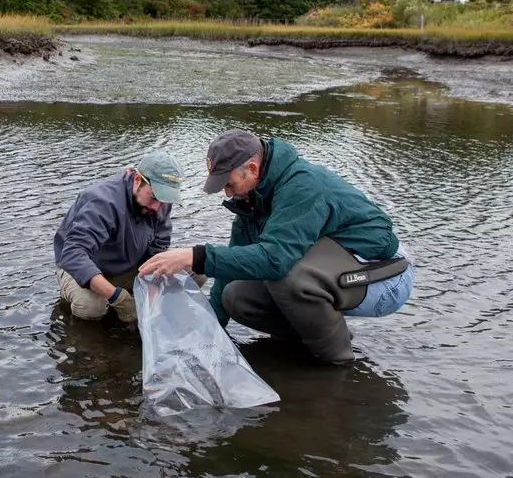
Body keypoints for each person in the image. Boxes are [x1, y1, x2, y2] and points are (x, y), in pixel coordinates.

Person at [140, 130, 414, 364]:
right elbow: (229, 270)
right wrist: (209, 335)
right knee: (235, 296)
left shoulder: (301, 186)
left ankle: (337, 364)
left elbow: (275, 260)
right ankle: (315, 339)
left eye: (230, 184)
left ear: (253, 169)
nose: (227, 193)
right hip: (339, 274)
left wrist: (194, 256)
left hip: (384, 276)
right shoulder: (253, 201)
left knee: (287, 275)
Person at [54, 150, 183, 323]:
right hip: (83, 266)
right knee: (91, 308)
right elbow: (73, 254)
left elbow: (158, 247)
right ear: (137, 181)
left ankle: (129, 296)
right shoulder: (103, 201)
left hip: (127, 264)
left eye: (165, 201)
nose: (158, 207)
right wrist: (118, 298)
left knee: (192, 272)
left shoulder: (159, 202)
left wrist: (153, 285)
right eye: (153, 198)